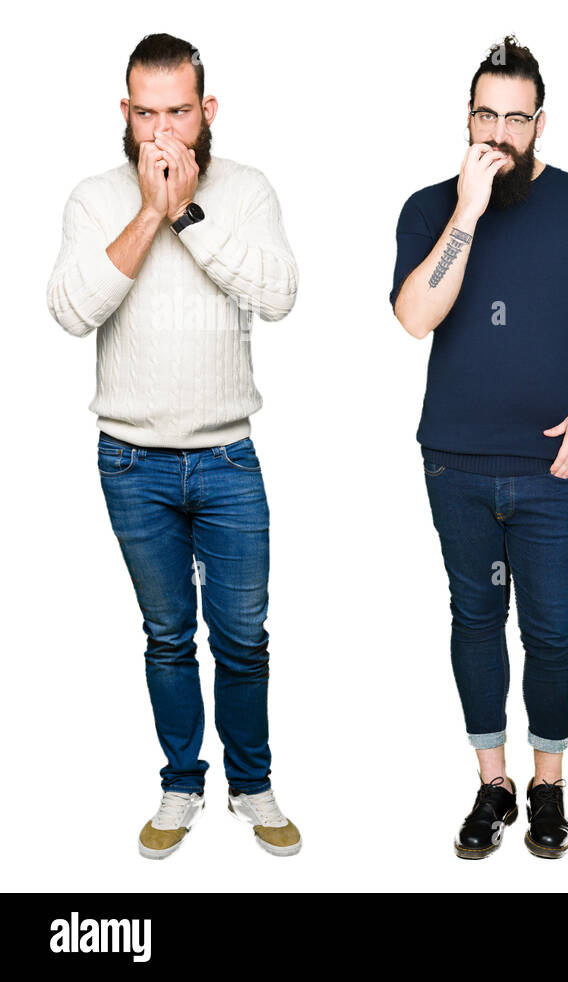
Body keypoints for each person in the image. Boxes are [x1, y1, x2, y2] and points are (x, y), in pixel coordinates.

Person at [390, 36, 568, 860]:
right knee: (474, 619)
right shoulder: (430, 209)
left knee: (552, 632)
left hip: (551, 467)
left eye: (514, 117)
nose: (498, 132)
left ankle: (548, 785)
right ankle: (491, 784)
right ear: (465, 117)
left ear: (540, 123)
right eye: (484, 115)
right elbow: (414, 316)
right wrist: (467, 209)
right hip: (455, 463)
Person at [46, 33, 301, 858]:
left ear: (207, 111)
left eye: (179, 114)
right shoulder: (93, 198)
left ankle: (252, 785)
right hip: (131, 461)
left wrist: (186, 215)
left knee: (244, 636)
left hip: (228, 457)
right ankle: (182, 783)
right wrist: (150, 211)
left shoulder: (248, 190)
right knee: (166, 634)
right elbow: (72, 308)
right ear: (125, 113)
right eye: (147, 114)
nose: (162, 134)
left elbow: (279, 295)